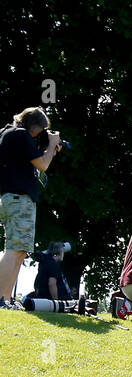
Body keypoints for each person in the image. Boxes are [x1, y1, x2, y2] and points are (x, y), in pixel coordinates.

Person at [0, 107, 62, 310]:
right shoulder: (20, 135)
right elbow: (42, 165)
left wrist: (48, 147)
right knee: (15, 249)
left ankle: (6, 299)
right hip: (19, 199)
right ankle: (1, 299)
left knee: (19, 252)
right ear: (36, 127)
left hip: (11, 198)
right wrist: (51, 144)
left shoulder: (8, 133)